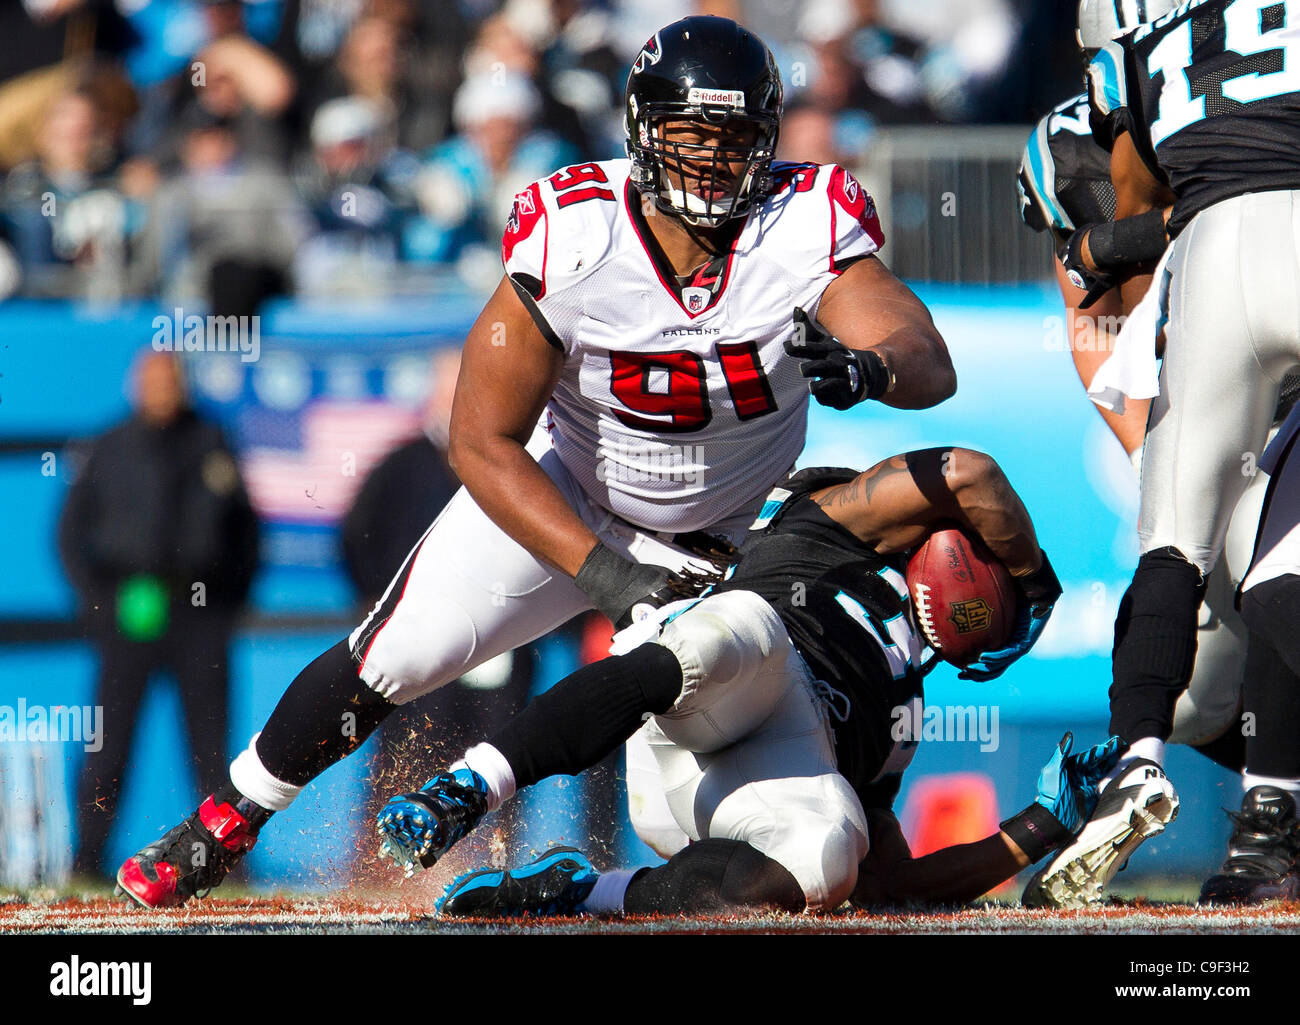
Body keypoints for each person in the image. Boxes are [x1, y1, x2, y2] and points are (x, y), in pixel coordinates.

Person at [114, 15, 956, 910]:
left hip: (720, 547)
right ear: (642, 130)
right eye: (690, 132)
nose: (712, 158)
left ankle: (589, 886)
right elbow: (482, 440)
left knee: (815, 852)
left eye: (736, 136)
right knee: (395, 655)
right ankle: (225, 820)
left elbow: (924, 355)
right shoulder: (577, 229)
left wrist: (873, 368)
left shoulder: (803, 221)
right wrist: (606, 575)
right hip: (568, 495)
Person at [373, 446, 1076, 917]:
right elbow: (967, 474)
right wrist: (1034, 580)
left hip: (704, 796)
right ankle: (468, 786)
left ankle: (587, 892)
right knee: (743, 628)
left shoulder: (904, 709)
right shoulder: (833, 527)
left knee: (829, 854)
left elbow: (888, 884)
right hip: (701, 681)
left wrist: (1041, 826)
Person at [1015, 0, 1300, 905]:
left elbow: (1120, 242)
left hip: (1218, 285)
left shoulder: (1130, 89)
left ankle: (1138, 768)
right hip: (1250, 301)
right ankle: (1268, 814)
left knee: (1184, 551)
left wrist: (1115, 237)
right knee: (1263, 604)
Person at [58, 350, 260, 880]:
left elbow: (246, 535)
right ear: (135, 387)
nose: (161, 392)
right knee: (109, 747)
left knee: (212, 750)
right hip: (131, 614)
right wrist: (102, 607)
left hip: (199, 613)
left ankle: (227, 861)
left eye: (169, 382)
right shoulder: (109, 446)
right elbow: (70, 536)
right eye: (151, 382)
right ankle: (87, 860)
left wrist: (224, 608)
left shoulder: (211, 442)